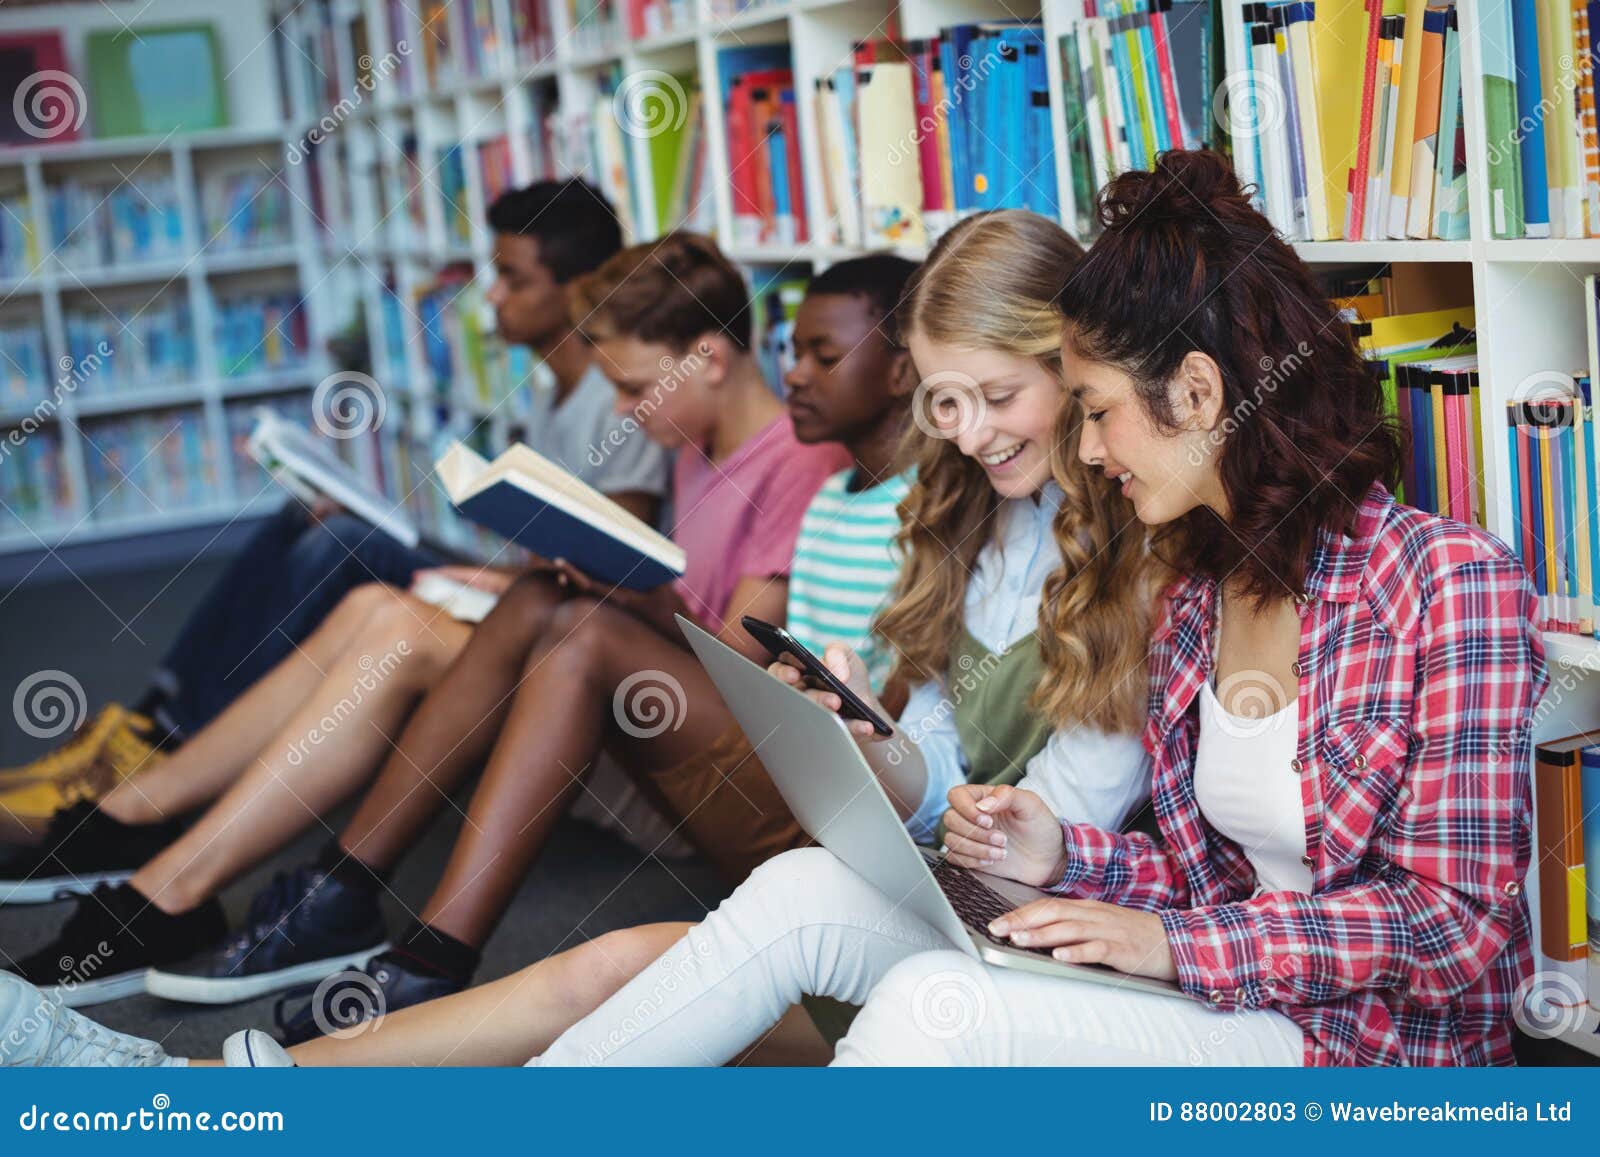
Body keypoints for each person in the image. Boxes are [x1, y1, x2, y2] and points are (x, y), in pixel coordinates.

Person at [15, 208, 1169, 1068]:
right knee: (599, 962)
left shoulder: (1130, 561)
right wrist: (875, 749)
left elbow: (1055, 834)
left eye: (993, 398)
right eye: (945, 405)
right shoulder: (975, 522)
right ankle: (182, 1086)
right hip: (918, 887)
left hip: (1000, 938)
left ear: (1071, 369)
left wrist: (945, 810)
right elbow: (940, 775)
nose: (961, 437)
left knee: (567, 691)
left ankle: (275, 940)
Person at [504, 152, 1542, 1068]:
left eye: (1094, 411)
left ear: (1191, 393)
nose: (1085, 452)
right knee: (798, 894)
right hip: (1223, 995)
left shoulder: (1445, 579)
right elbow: (1194, 871)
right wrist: (1058, 855)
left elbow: (1452, 924)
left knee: (934, 1008)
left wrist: (1179, 944)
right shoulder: (1194, 595)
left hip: (1358, 1049)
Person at [0, 181, 671, 1005]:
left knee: (363, 576)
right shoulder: (561, 392)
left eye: (511, 279)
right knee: (345, 570)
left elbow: (609, 572)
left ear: (577, 289)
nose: (489, 298)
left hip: (575, 647)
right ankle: (145, 800)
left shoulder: (621, 404)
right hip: (530, 610)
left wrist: (496, 580)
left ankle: (159, 847)